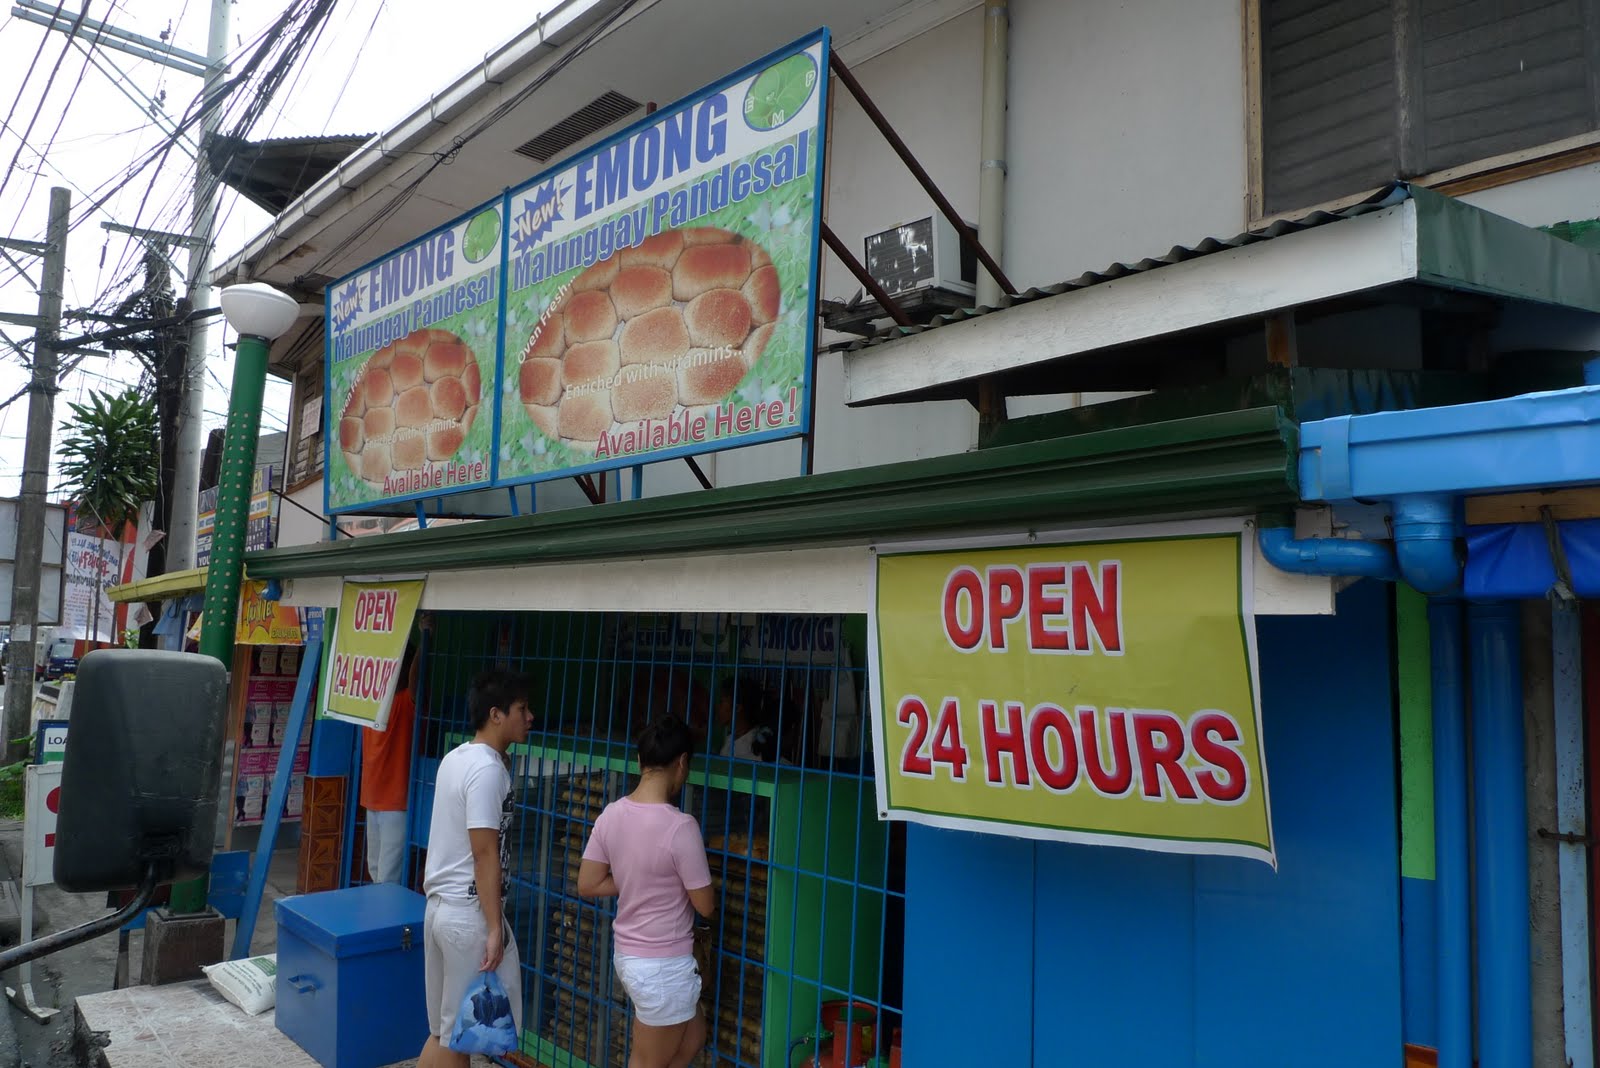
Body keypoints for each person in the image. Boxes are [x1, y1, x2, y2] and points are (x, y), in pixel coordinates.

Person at [578, 716, 714, 1068]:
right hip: (662, 964)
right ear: (683, 762)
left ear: (640, 762)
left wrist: (638, 878)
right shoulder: (681, 827)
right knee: (646, 1062)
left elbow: (588, 883)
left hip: (631, 956)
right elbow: (705, 905)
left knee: (695, 1034)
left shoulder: (611, 815)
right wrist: (657, 879)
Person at [417, 669, 533, 1068]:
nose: (530, 717)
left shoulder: (457, 758)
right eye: (522, 708)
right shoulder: (486, 771)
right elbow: (485, 853)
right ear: (496, 714)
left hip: (439, 908)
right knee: (459, 1040)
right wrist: (494, 926)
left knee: (444, 1034)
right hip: (466, 916)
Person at [362, 632, 421, 884]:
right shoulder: (369, 701)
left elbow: (416, 679)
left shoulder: (405, 701)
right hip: (373, 800)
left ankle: (383, 921)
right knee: (376, 871)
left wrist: (425, 637)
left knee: (386, 877)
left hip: (394, 804)